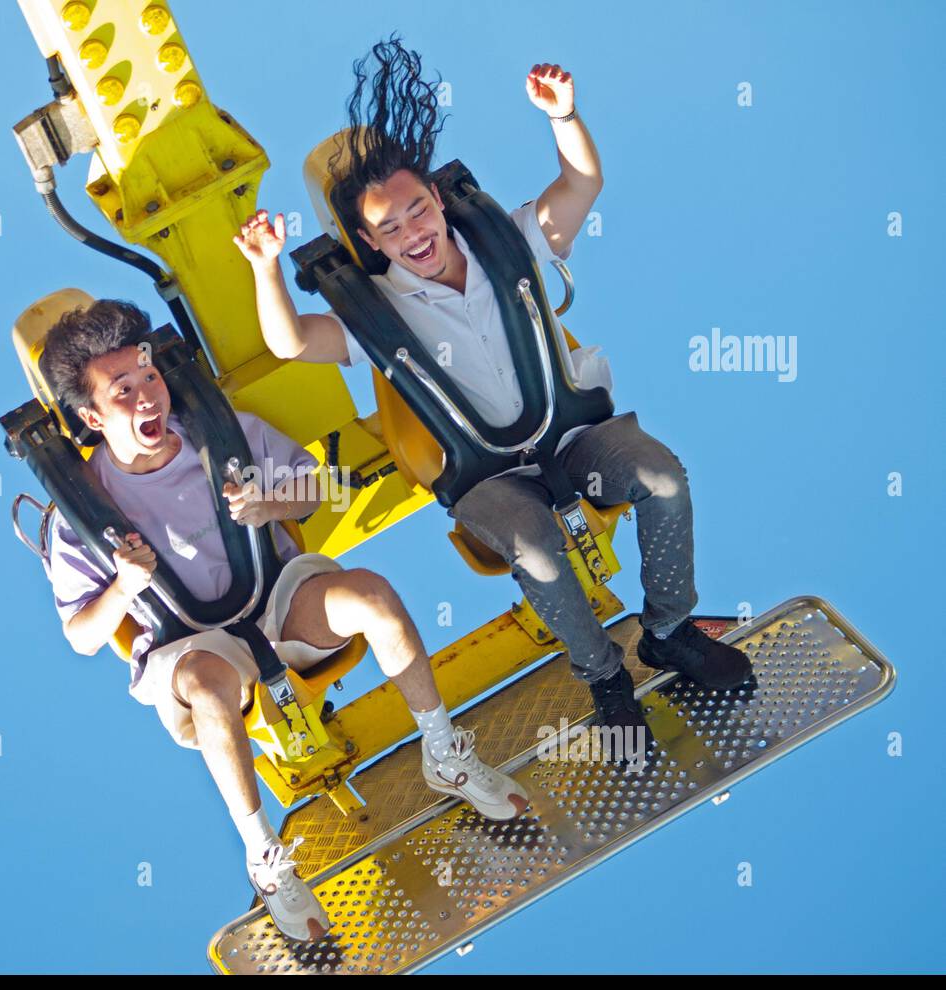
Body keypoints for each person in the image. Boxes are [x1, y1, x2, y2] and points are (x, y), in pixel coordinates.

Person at [234, 37, 752, 741]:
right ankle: (603, 674)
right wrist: (265, 266)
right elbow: (291, 342)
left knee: (661, 475)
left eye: (417, 209)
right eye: (389, 228)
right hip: (488, 481)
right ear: (370, 239)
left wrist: (564, 118)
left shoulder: (507, 241)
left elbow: (581, 187)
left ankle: (668, 629)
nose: (412, 232)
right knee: (536, 546)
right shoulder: (376, 313)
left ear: (438, 200)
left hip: (573, 440)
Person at [39, 298, 531, 942]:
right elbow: (81, 636)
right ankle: (265, 856)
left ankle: (444, 750)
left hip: (276, 599)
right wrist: (124, 584)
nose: (146, 400)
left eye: (150, 377)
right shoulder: (79, 514)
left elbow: (316, 485)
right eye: (123, 390)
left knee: (373, 597)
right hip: (193, 642)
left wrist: (270, 504)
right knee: (211, 683)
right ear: (91, 415)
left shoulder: (222, 435)